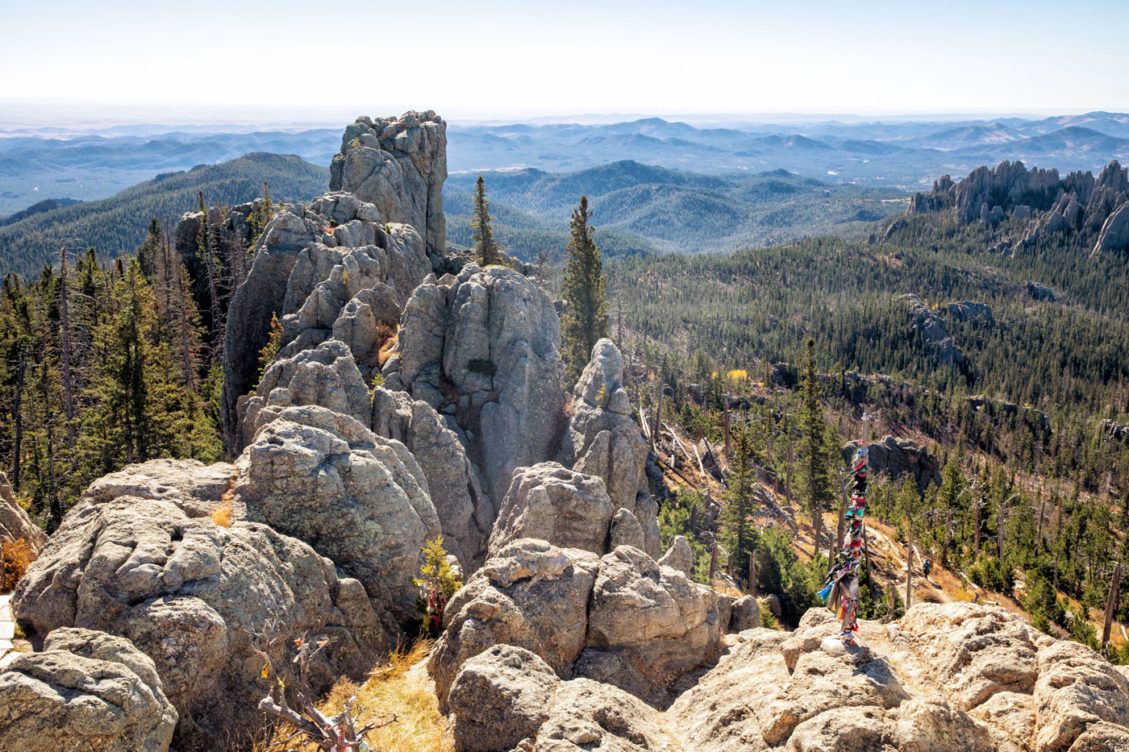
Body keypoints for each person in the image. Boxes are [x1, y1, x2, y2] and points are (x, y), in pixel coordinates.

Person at [819, 444, 868, 645]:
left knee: (850, 598)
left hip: (851, 570)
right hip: (851, 567)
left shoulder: (852, 551)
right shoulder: (852, 545)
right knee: (849, 597)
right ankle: (846, 629)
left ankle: (847, 630)